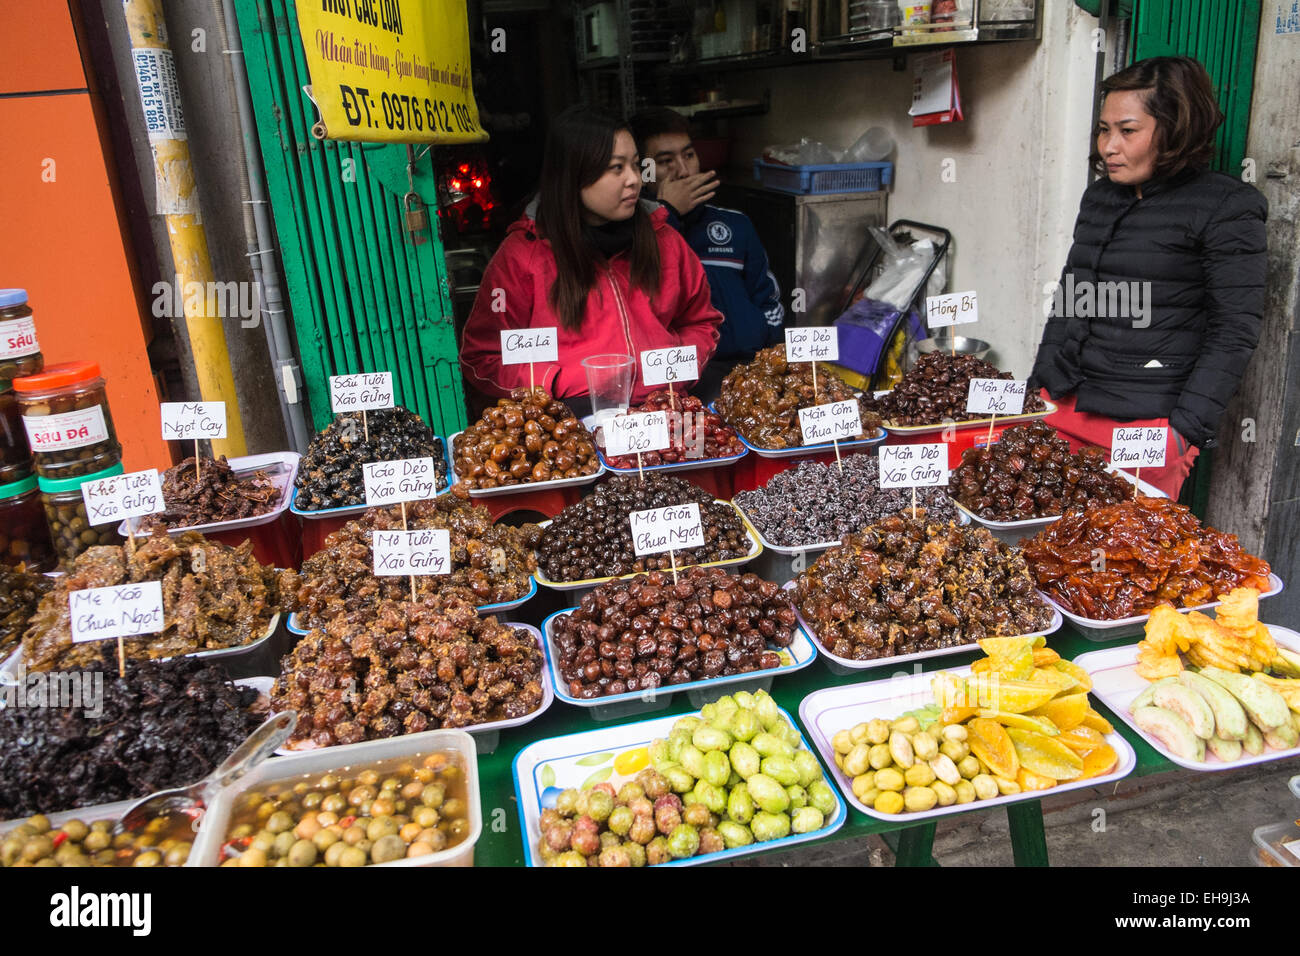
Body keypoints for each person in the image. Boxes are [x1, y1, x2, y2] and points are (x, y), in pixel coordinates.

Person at [1029, 56, 1267, 500]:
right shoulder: (1100, 197)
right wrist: (1038, 383)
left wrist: (1183, 430)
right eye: (1104, 129)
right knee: (1037, 552)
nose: (1108, 146)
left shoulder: (1227, 206)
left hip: (1146, 426)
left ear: (1175, 129)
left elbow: (1234, 330)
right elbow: (1072, 296)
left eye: (1128, 130)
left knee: (1118, 558)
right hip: (1063, 407)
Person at [459, 107, 722, 414]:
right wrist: (556, 383)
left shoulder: (665, 240)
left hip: (663, 412)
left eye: (636, 166)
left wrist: (675, 367)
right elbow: (484, 357)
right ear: (574, 175)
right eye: (616, 168)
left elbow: (701, 322)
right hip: (570, 424)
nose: (634, 180)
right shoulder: (522, 256)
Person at [628, 108, 785, 402]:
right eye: (665, 162)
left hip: (749, 370)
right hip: (681, 383)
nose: (684, 170)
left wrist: (770, 359)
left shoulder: (735, 224)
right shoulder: (633, 236)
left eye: (688, 155)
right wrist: (667, 214)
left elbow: (768, 300)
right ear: (641, 171)